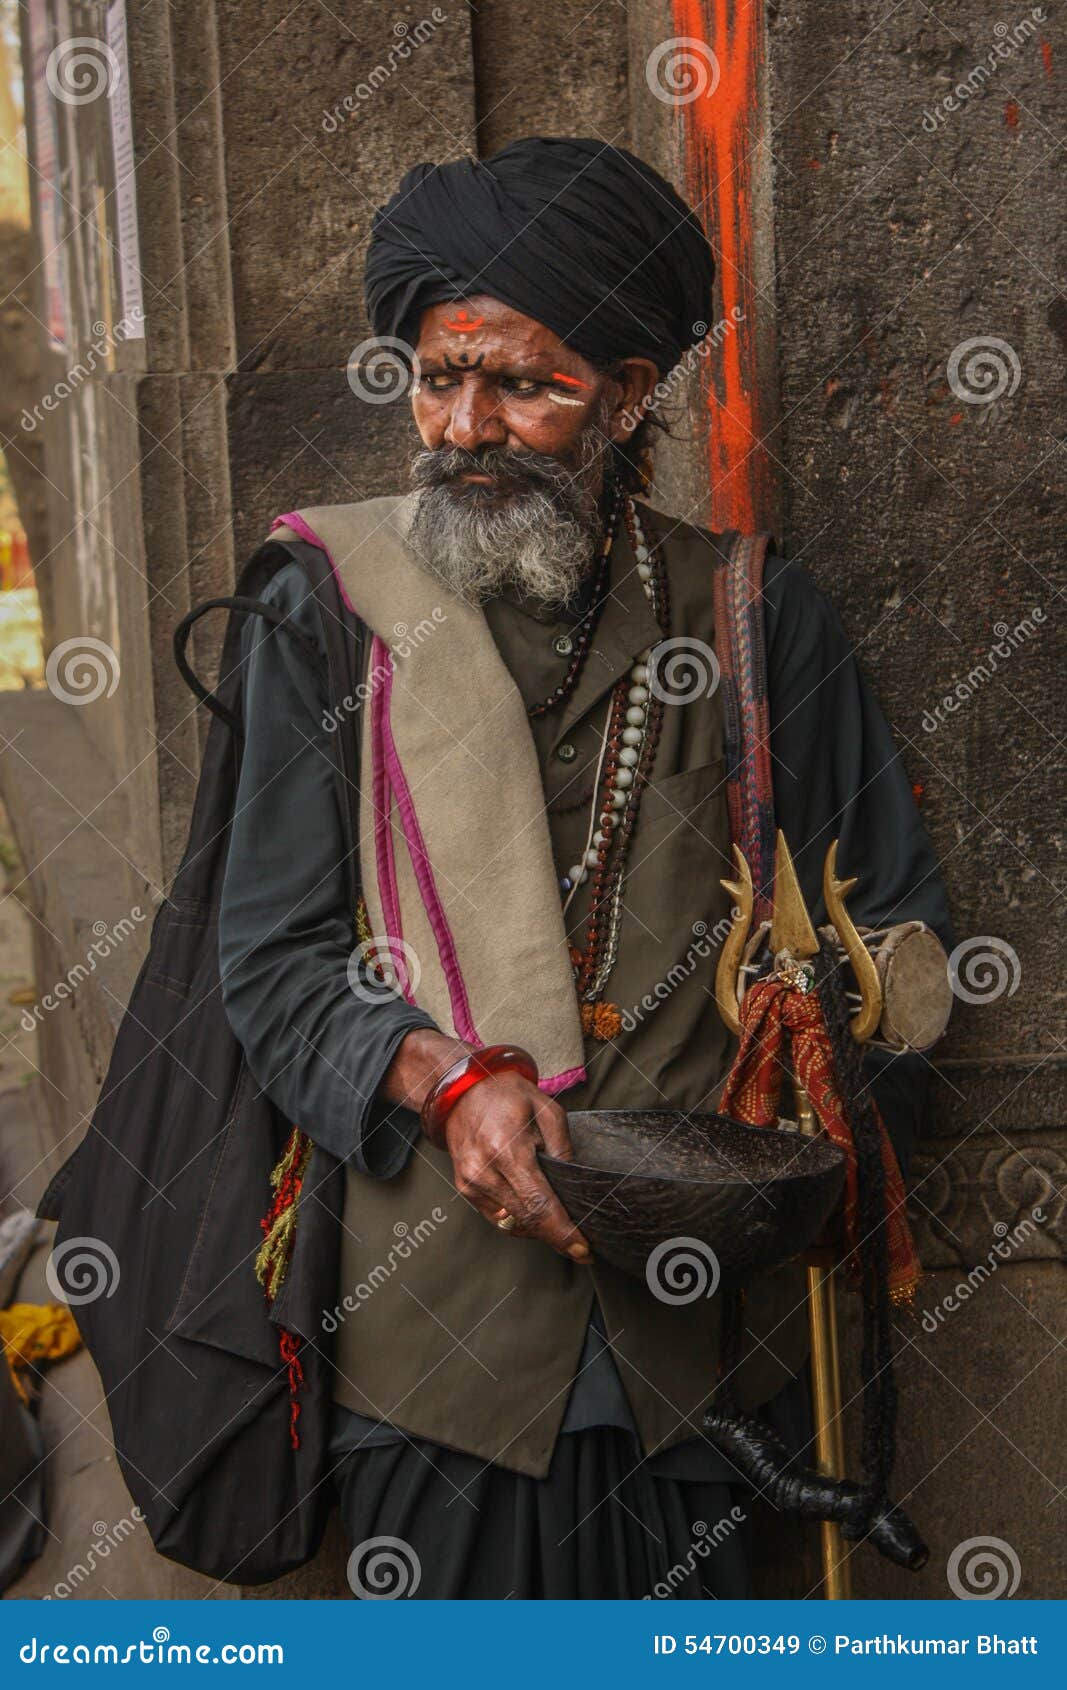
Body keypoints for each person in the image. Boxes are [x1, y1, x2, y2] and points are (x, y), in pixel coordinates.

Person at [218, 137, 951, 1599]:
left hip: (716, 1365)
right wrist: (442, 1074)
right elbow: (273, 963)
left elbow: (911, 953)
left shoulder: (756, 621)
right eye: (440, 377)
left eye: (528, 385)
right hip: (438, 1360)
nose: (468, 425)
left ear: (628, 394)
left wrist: (816, 1070)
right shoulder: (326, 610)